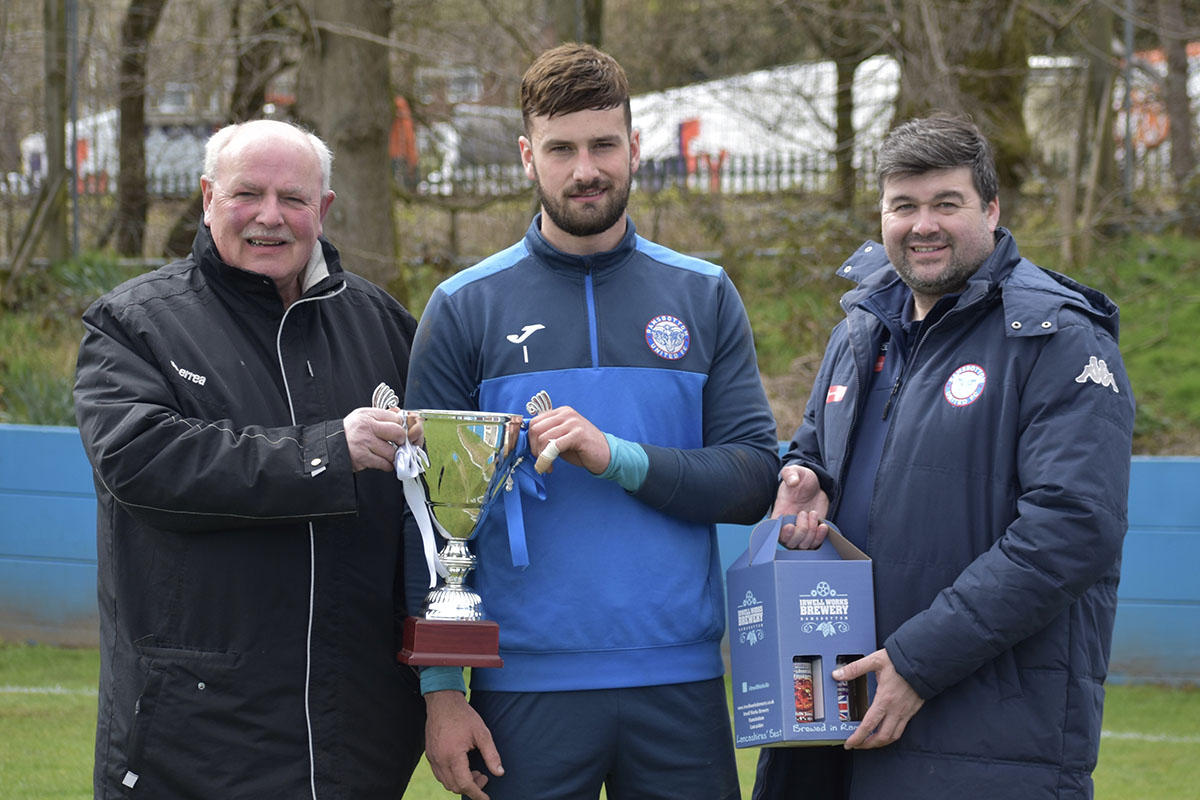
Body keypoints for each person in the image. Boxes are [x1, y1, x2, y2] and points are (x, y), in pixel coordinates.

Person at [404, 43, 780, 800]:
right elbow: (423, 515)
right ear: (526, 156)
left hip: (679, 683)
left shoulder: (703, 294)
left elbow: (751, 479)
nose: (586, 170)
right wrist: (443, 692)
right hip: (524, 688)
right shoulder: (463, 307)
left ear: (635, 148)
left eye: (604, 144)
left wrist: (618, 457)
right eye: (562, 149)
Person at [753, 115, 1135, 799]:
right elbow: (815, 454)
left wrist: (918, 661)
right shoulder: (860, 329)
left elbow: (1073, 529)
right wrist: (806, 480)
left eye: (945, 204)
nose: (921, 224)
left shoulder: (1058, 340)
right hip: (831, 727)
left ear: (990, 208)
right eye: (904, 206)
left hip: (987, 743)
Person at [74, 119, 426, 799]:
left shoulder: (382, 323)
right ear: (208, 198)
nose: (270, 216)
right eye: (247, 194)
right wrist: (329, 451)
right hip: (193, 738)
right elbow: (144, 463)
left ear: (322, 211)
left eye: (293, 199)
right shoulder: (134, 324)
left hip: (358, 736)